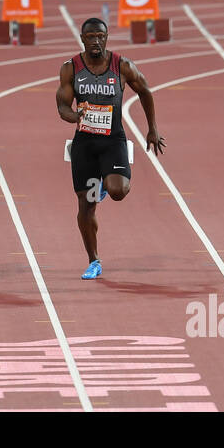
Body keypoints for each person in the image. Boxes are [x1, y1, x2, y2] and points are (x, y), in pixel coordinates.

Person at [55, 17, 165, 280]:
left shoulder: (121, 66)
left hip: (113, 140)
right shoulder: (71, 68)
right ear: (82, 39)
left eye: (100, 36)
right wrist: (74, 117)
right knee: (86, 205)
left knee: (118, 191)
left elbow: (146, 91)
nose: (95, 41)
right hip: (84, 143)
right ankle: (93, 260)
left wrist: (152, 129)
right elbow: (61, 105)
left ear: (106, 38)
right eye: (90, 36)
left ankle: (106, 183)